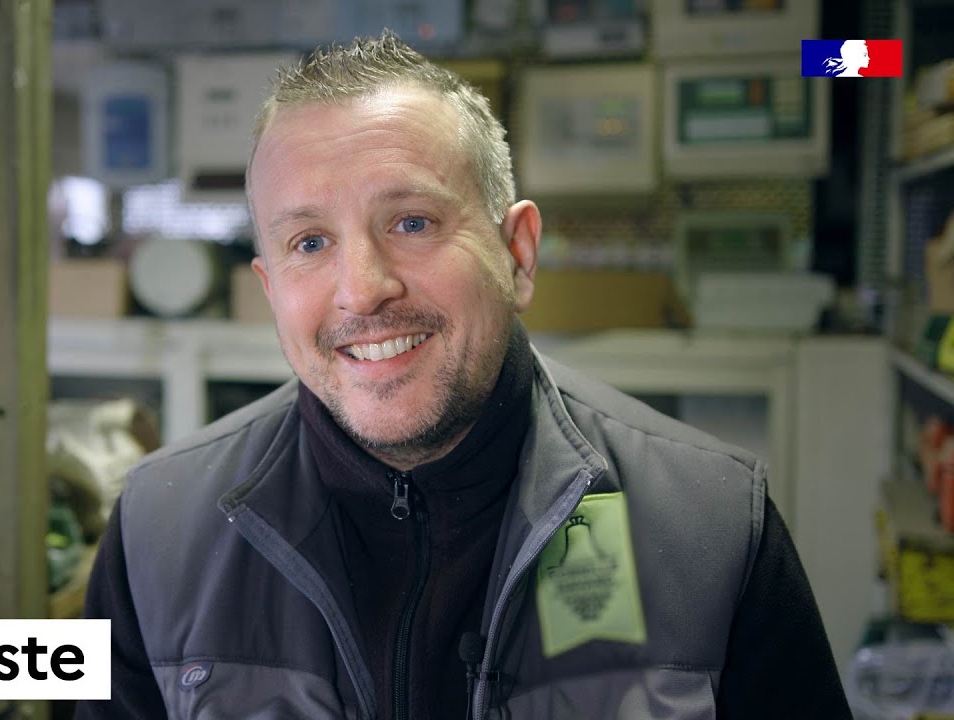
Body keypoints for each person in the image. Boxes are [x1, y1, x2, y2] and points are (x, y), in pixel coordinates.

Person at [78, 31, 850, 720]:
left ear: (517, 254)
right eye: (309, 243)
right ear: (270, 287)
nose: (362, 290)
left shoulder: (715, 528)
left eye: (412, 223)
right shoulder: (156, 533)